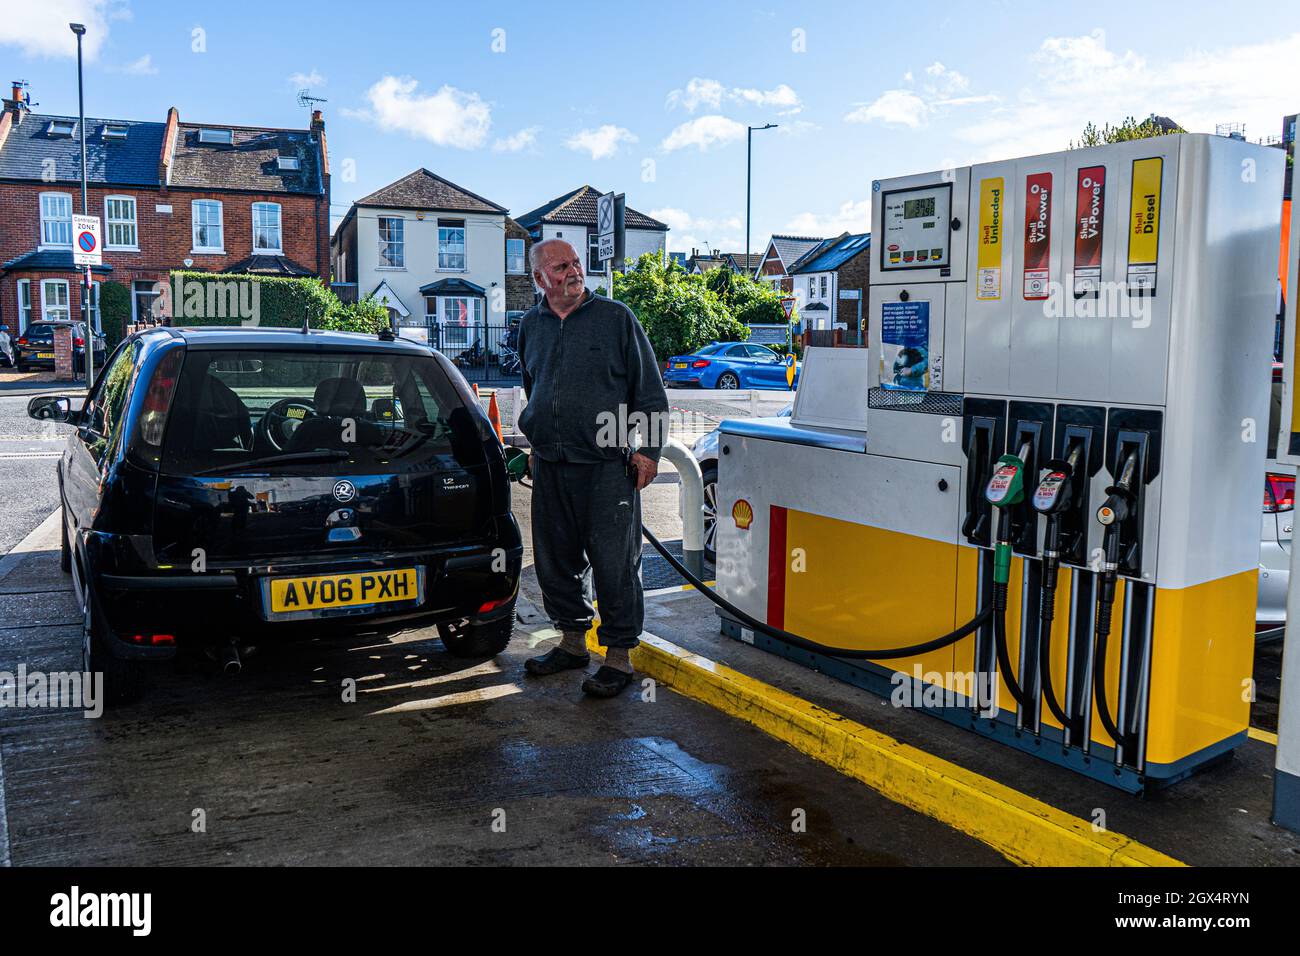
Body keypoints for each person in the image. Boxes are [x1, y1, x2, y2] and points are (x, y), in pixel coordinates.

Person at [517, 239, 669, 697]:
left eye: (576, 263)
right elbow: (533, 385)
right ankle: (571, 643)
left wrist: (650, 451)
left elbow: (649, 392)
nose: (573, 271)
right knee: (555, 561)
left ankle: (619, 658)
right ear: (540, 279)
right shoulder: (531, 325)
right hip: (550, 464)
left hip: (606, 464)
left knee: (615, 563)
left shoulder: (616, 318)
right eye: (561, 266)